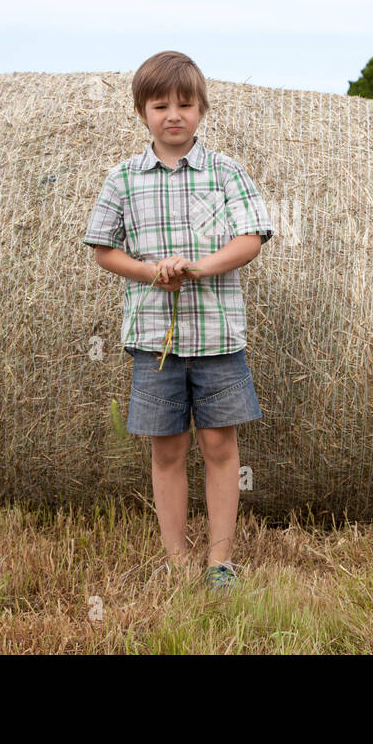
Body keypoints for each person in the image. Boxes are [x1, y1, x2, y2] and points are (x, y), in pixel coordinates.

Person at [83, 51, 273, 590]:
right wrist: (150, 273)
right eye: (160, 104)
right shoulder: (123, 178)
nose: (174, 114)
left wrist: (200, 268)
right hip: (153, 340)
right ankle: (174, 558)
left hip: (217, 337)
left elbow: (252, 237)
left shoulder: (226, 172)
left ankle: (219, 561)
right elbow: (102, 249)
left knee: (220, 446)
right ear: (142, 111)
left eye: (185, 105)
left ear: (201, 110)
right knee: (167, 449)